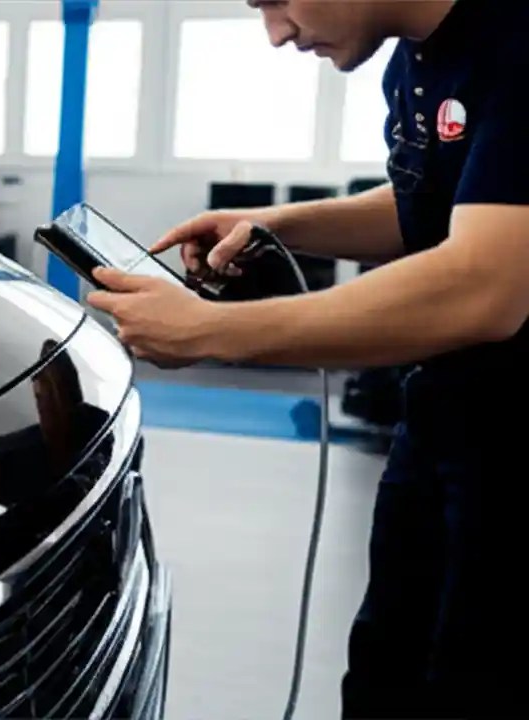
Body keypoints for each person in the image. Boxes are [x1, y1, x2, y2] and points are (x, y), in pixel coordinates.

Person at [86, 0, 528, 717]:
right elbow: (442, 203)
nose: (277, 33)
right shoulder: (411, 62)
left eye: (278, 1)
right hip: (445, 424)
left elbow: (487, 285)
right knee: (385, 672)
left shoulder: (517, 41)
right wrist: (276, 227)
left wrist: (209, 332)